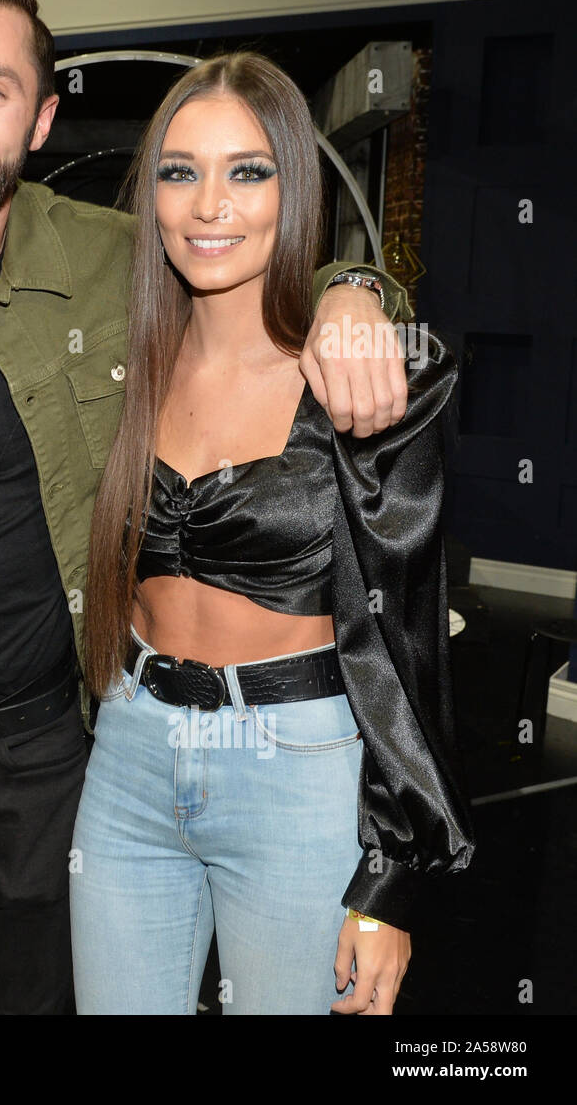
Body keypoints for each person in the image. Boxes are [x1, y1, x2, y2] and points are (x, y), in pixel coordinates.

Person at [0, 0, 413, 1015]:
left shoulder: (117, 260)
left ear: (39, 118)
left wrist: (358, 287)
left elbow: (254, 259)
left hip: (42, 759)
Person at [70, 51, 474, 1015]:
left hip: (299, 771)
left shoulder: (362, 377)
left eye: (248, 170)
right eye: (180, 171)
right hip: (128, 752)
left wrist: (391, 881)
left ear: (294, 186)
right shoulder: (120, 365)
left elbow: (407, 637)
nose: (210, 204)